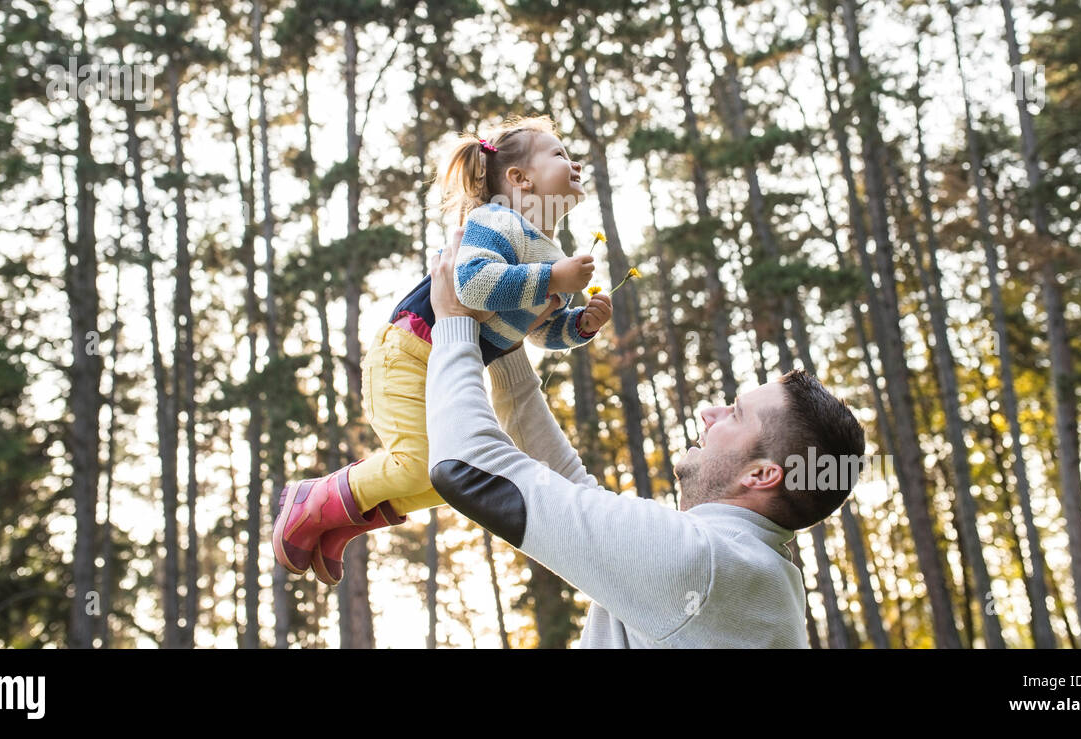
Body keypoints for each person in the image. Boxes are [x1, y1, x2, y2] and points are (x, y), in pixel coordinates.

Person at [425, 227, 867, 648]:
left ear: (763, 473)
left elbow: (466, 468)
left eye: (735, 414)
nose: (710, 413)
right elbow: (572, 492)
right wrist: (506, 351)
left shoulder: (704, 567)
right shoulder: (748, 571)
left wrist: (454, 323)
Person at [272, 114, 614, 586]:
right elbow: (473, 285)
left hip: (443, 369)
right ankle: (317, 498)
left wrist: (579, 326)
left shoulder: (553, 254)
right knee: (422, 464)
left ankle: (338, 521)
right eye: (559, 154)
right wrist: (556, 281)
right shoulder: (497, 220)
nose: (574, 163)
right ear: (520, 178)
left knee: (453, 473)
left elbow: (537, 332)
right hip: (410, 353)